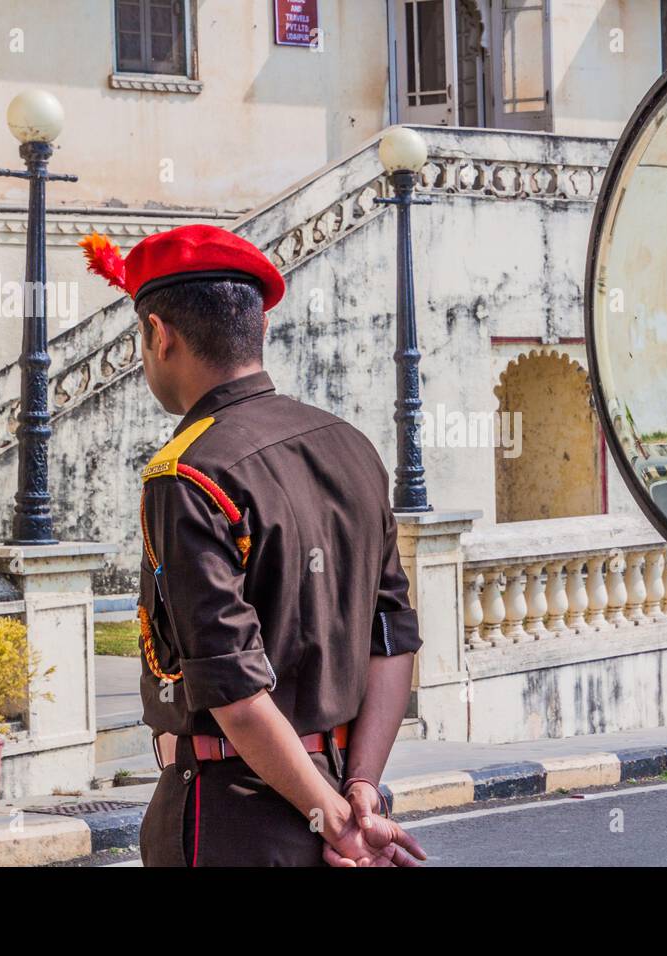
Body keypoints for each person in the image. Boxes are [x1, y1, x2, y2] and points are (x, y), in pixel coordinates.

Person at [80, 225, 428, 867]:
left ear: (160, 335)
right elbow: (392, 635)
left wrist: (334, 819)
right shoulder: (351, 447)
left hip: (235, 814)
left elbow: (234, 690)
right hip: (345, 795)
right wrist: (359, 795)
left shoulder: (187, 472)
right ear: (257, 331)